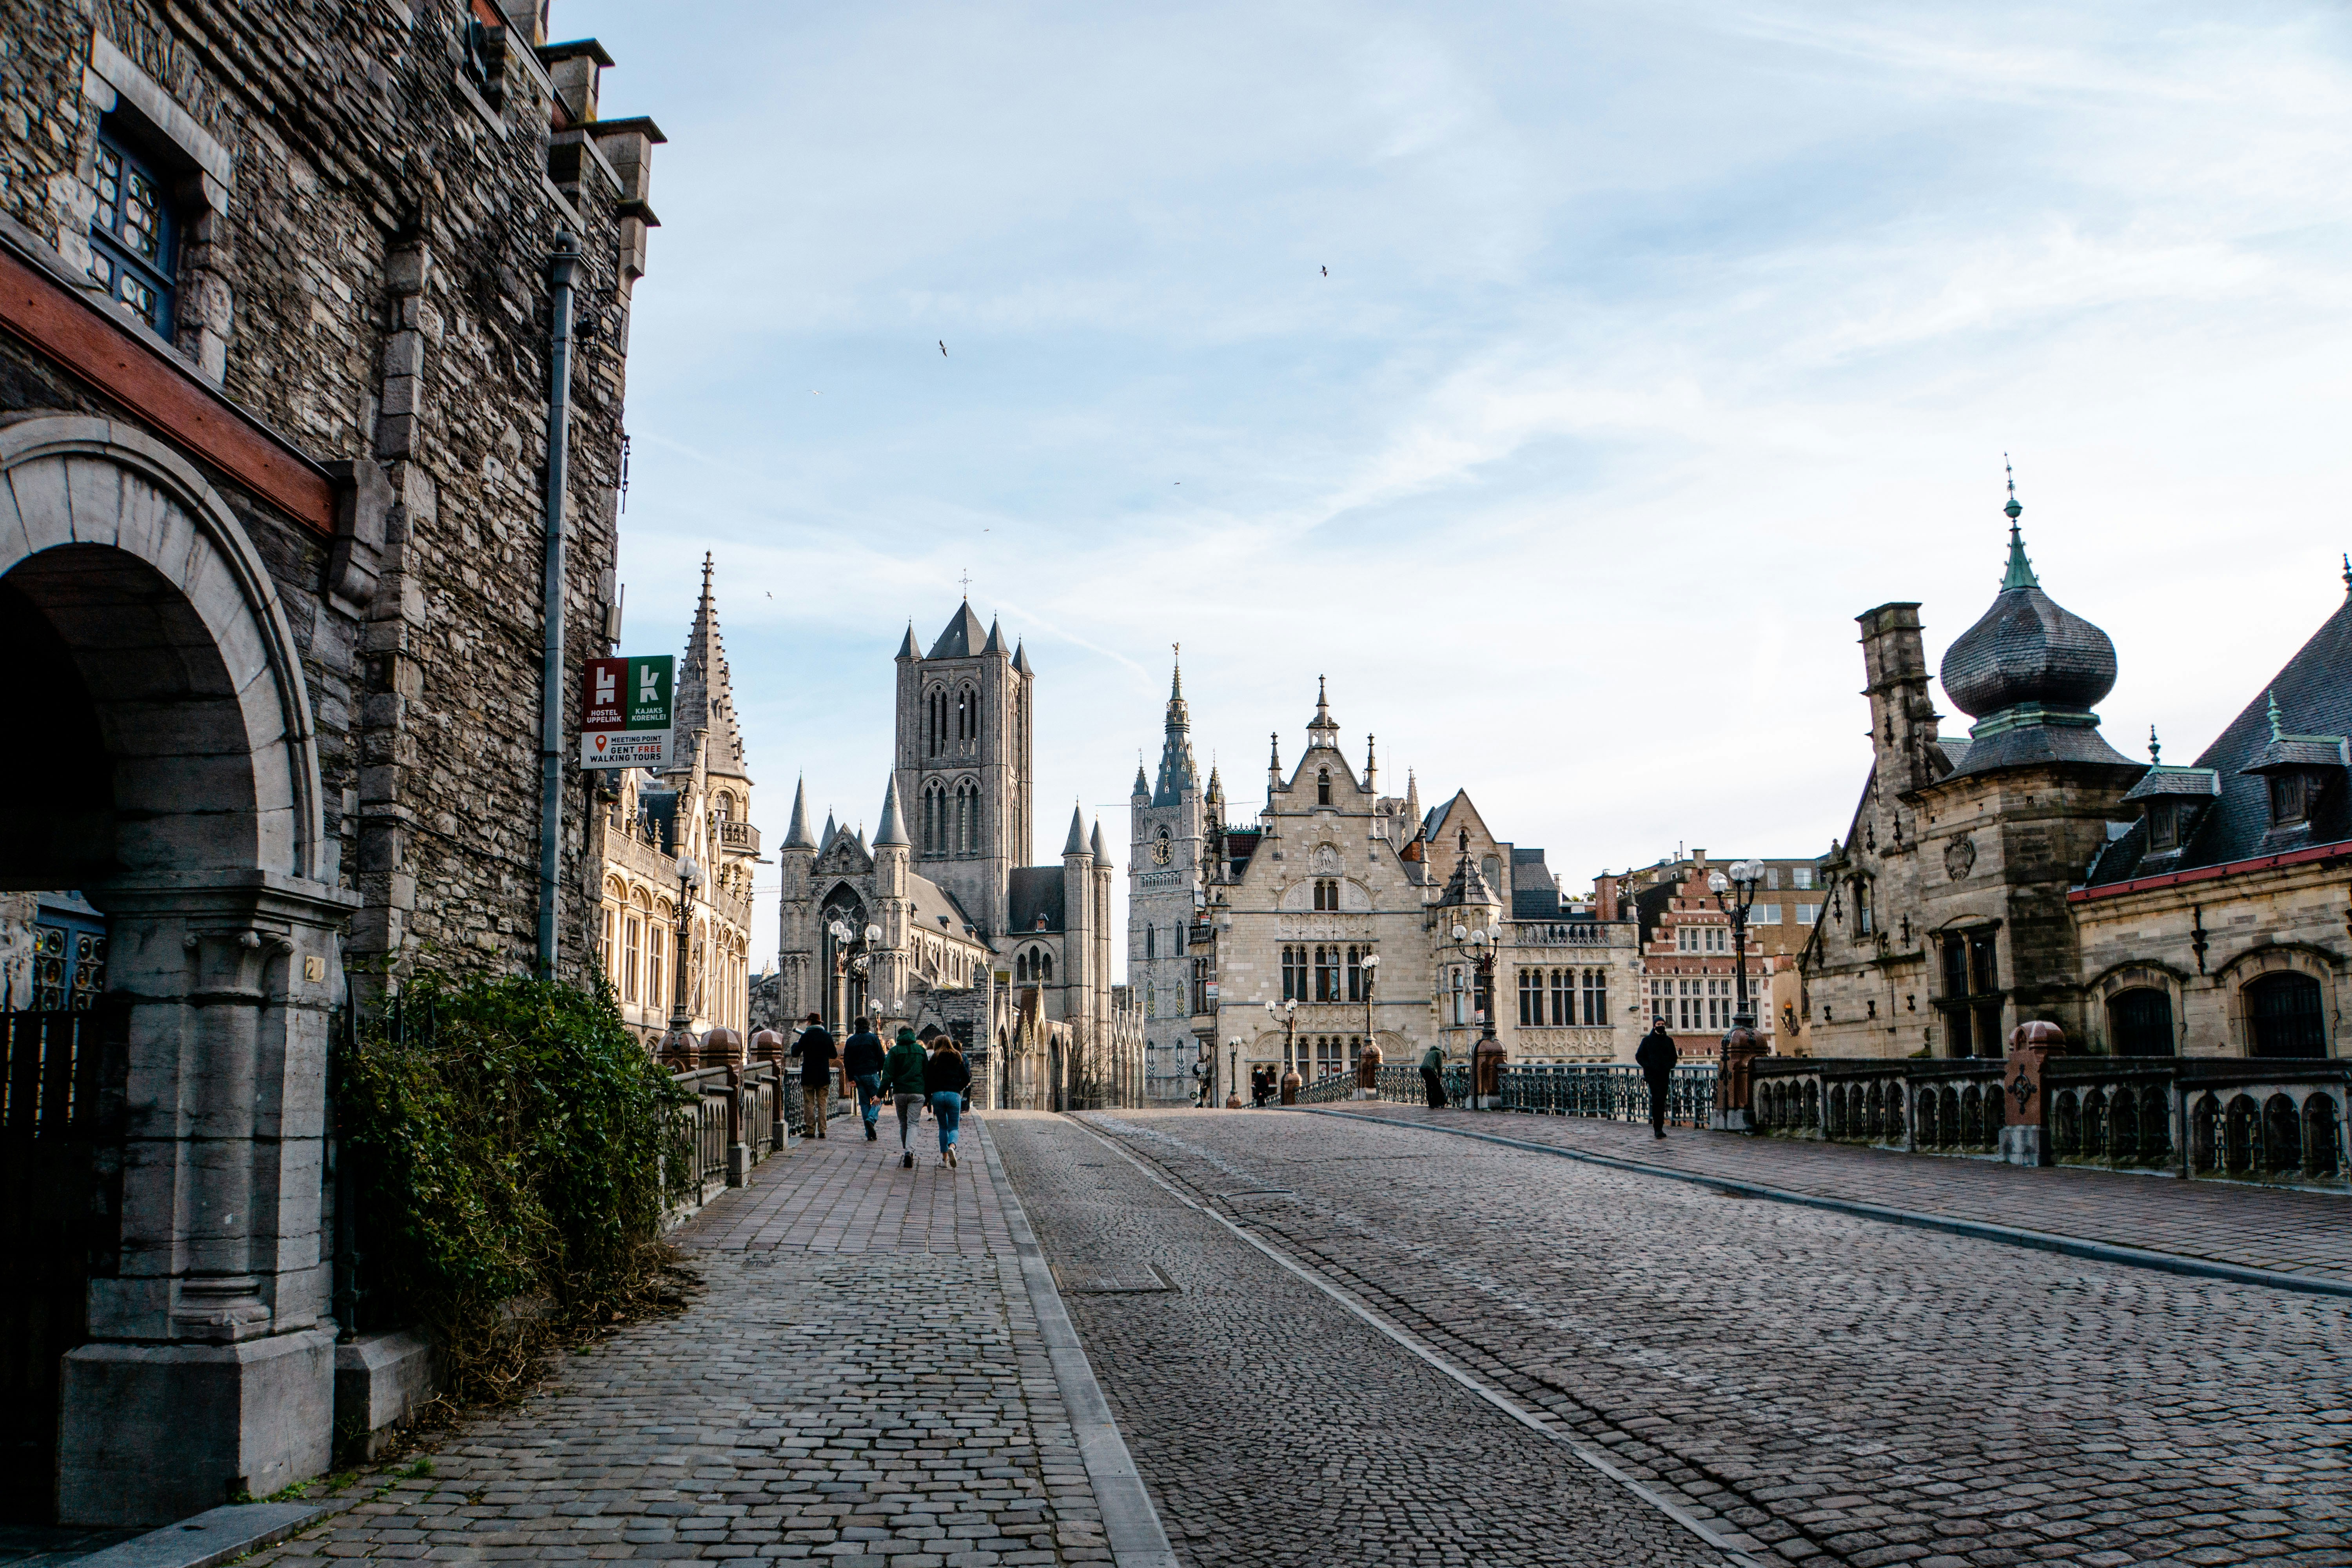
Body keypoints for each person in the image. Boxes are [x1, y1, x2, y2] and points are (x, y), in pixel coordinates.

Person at [883, 1024, 930, 1169]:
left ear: (900, 1035)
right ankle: (909, 1151)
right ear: (913, 1035)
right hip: (917, 1092)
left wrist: (880, 1094)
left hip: (900, 1092)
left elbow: (887, 1075)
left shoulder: (894, 1051)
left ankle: (907, 1150)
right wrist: (928, 1096)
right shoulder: (921, 1051)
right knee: (913, 1123)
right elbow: (927, 1075)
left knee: (904, 1123)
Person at [925, 1031, 972, 1169]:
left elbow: (928, 1079)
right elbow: (967, 1078)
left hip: (938, 1095)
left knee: (943, 1127)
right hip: (954, 1094)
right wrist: (958, 1088)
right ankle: (952, 1146)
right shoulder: (958, 1056)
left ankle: (944, 1160)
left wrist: (930, 1094)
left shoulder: (934, 1058)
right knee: (954, 1127)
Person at [842, 1015, 887, 1142]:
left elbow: (847, 1061)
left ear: (856, 1026)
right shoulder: (873, 1038)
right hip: (872, 1073)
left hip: (858, 1076)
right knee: (879, 1099)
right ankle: (871, 1120)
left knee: (865, 1104)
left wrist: (851, 1078)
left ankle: (869, 1134)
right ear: (868, 1026)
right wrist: (879, 1071)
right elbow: (882, 1057)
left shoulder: (851, 1041)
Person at [793, 1013, 837, 1138]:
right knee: (822, 1103)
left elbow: (795, 1053)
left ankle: (810, 1130)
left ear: (810, 1022)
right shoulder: (827, 1036)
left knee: (809, 1103)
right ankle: (822, 1130)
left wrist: (796, 1044)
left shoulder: (806, 1036)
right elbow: (834, 1055)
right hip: (823, 1074)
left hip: (809, 1074)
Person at [1636, 1018, 1679, 1138]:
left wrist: (1670, 1066)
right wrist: (1649, 1067)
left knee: (1662, 1101)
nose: (1661, 1026)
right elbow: (1639, 1056)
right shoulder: (1647, 1041)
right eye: (1659, 1024)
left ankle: (1660, 1127)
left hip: (1664, 1075)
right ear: (1654, 1026)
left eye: (1663, 1024)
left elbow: (1674, 1057)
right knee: (1657, 1100)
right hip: (1653, 1076)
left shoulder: (1669, 1041)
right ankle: (1658, 1128)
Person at [1419, 1043, 1446, 1108]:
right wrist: (1440, 1076)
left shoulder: (1429, 1053)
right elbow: (1440, 1066)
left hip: (1423, 1070)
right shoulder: (1440, 1053)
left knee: (1429, 1087)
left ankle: (1431, 1104)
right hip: (1430, 1070)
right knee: (1437, 1087)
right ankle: (1442, 1102)